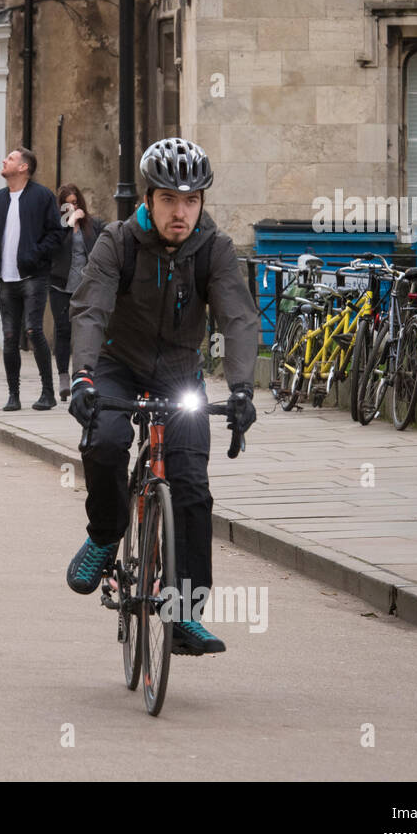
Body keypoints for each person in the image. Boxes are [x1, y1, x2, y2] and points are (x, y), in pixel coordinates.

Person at [65, 138, 259, 655]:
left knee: (192, 487)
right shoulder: (117, 243)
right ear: (149, 199)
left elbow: (238, 317)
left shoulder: (213, 250)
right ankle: (106, 533)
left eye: (192, 200)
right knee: (105, 442)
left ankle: (182, 615)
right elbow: (90, 310)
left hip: (179, 373)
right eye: (170, 198)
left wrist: (241, 389)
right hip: (116, 365)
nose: (182, 211)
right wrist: (83, 377)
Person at [0, 147, 66, 412]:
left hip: (33, 276)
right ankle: (13, 395)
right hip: (5, 279)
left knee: (33, 330)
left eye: (11, 158)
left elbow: (56, 233)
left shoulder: (42, 197)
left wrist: (34, 255)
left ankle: (47, 393)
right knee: (9, 336)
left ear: (23, 167)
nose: (4, 160)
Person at [50, 184, 103, 402]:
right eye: (68, 203)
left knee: (85, 333)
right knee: (63, 331)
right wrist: (67, 225)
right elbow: (52, 249)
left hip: (86, 288)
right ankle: (63, 378)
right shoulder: (55, 227)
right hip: (60, 287)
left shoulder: (93, 225)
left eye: (75, 202)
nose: (73, 206)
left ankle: (80, 377)